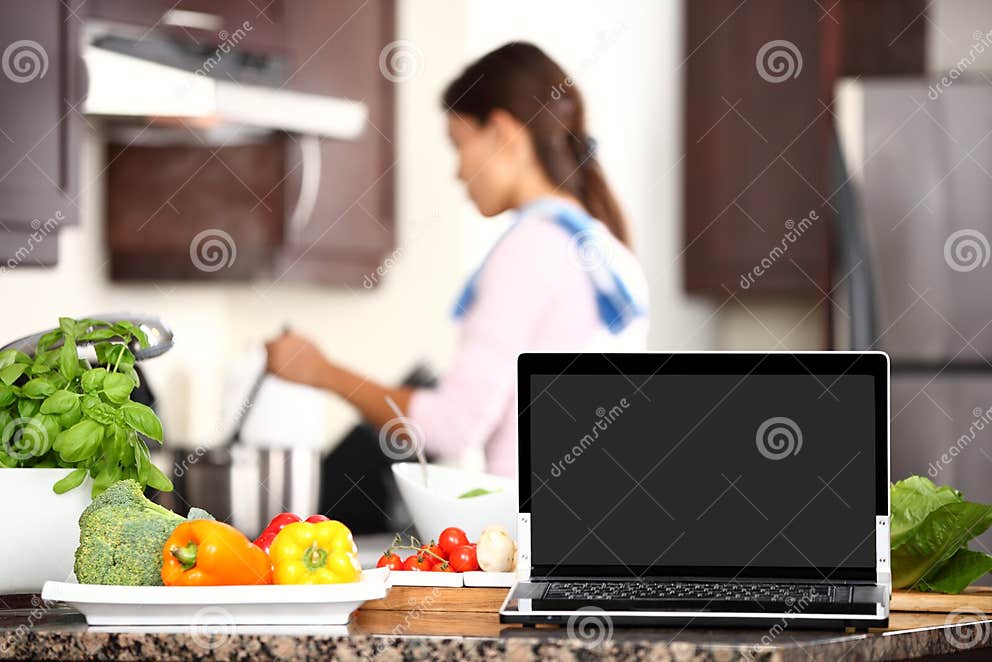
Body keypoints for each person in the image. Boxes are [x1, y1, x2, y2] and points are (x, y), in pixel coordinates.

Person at [265, 42, 648, 478]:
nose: (458, 171)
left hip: (531, 532)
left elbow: (452, 427)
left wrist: (319, 371)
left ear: (503, 132)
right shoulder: (610, 250)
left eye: (459, 143)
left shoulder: (532, 247)